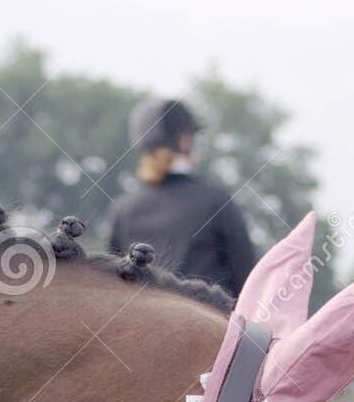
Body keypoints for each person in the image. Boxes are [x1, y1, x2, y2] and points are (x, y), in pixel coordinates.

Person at [108, 98, 256, 296]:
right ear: (184, 141)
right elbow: (248, 278)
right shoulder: (216, 200)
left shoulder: (122, 211)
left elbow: (114, 284)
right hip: (207, 322)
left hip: (140, 322)